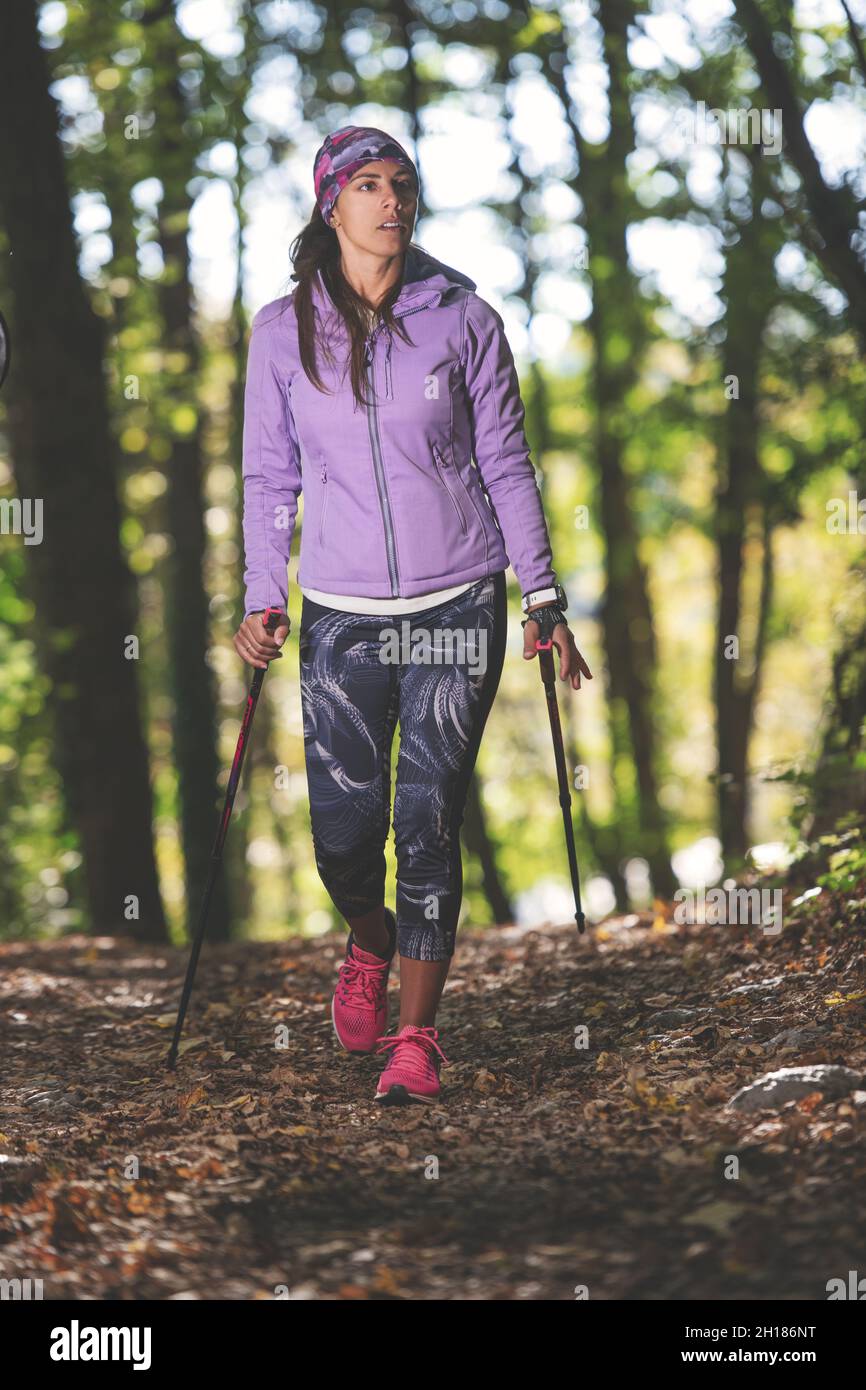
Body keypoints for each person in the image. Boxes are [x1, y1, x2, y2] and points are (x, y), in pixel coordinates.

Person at [233, 124, 592, 1105]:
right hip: (340, 616)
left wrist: (542, 593)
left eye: (401, 183)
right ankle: (368, 938)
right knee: (343, 839)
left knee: (427, 819)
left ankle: (417, 1034)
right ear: (329, 204)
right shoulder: (281, 330)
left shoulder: (462, 317)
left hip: (457, 598)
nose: (390, 200)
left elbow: (506, 464)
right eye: (366, 185)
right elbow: (270, 473)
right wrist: (264, 590)